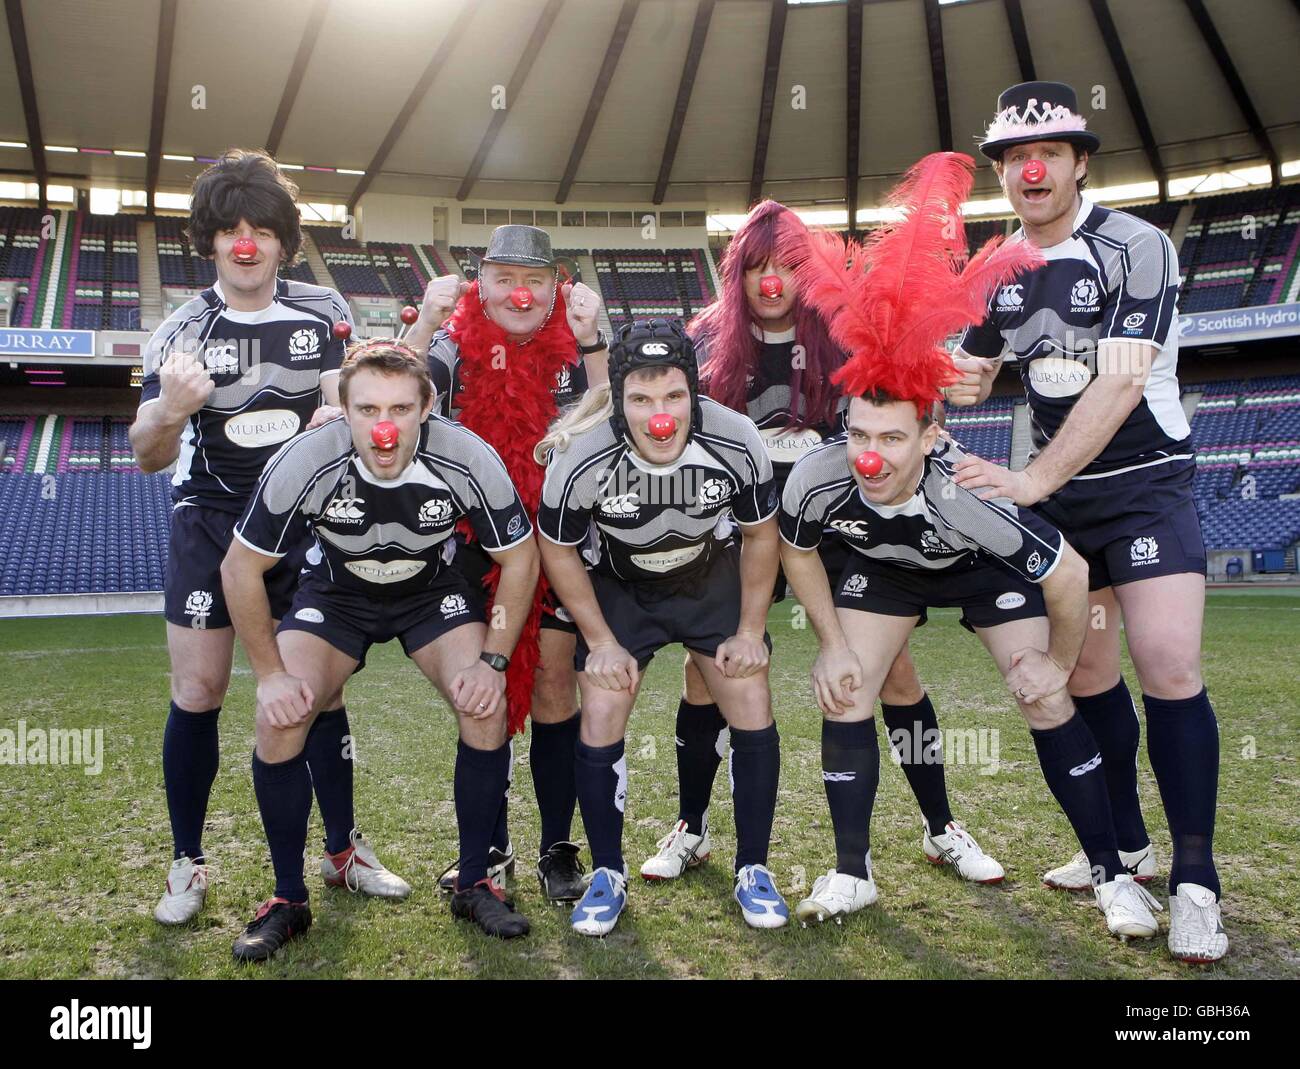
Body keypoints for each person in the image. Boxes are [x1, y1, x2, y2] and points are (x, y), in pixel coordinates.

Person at [780, 151, 1163, 943]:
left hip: (982, 573)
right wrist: (827, 643)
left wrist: (1054, 661)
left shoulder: (972, 492)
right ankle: (852, 871)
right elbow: (797, 548)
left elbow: (1070, 574)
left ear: (932, 433)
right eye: (858, 433)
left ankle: (1110, 874)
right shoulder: (819, 474)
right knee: (848, 688)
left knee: (1042, 695)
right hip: (889, 572)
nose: (869, 455)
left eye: (892, 436)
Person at [642, 200, 1003, 887]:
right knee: (707, 672)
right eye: (756, 267)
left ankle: (941, 824)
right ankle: (691, 824)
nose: (771, 281)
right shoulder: (707, 340)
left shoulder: (844, 331)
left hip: (833, 525)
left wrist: (953, 392)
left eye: (786, 266)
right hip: (741, 529)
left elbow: (903, 405)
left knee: (891, 671)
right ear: (736, 273)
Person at [947, 81, 1226, 962]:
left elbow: (1119, 381)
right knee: (1093, 671)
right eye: (1014, 160)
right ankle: (1130, 849)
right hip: (1064, 499)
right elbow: (972, 372)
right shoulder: (996, 270)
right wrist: (928, 369)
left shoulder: (1135, 245)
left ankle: (1196, 884)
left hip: (1143, 483)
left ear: (1077, 164)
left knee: (1169, 662)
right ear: (1003, 173)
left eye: (1050, 154)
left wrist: (1030, 479)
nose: (1031, 170)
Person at [130, 148, 405, 927]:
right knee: (199, 691)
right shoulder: (183, 330)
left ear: (283, 240)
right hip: (212, 522)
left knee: (321, 690)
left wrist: (337, 420)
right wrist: (172, 408)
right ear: (210, 241)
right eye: (228, 230)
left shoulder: (324, 313)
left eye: (259, 228)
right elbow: (147, 450)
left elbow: (360, 404)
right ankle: (187, 859)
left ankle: (342, 850)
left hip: (303, 522)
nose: (244, 243)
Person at [221, 342, 539, 958]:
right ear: (343, 408)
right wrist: (268, 676)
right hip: (337, 593)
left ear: (428, 406)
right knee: (281, 715)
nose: (383, 424)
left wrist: (493, 659)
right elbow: (239, 569)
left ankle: (474, 882)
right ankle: (289, 898)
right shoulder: (306, 458)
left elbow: (520, 557)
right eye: (366, 408)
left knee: (482, 705)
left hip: (430, 592)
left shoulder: (467, 455)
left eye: (399, 406)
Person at [536, 318, 788, 935]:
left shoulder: (736, 436)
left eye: (675, 396)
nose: (661, 415)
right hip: (622, 589)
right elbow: (558, 547)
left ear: (694, 391)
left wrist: (751, 629)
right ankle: (608, 873)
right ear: (619, 398)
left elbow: (760, 534)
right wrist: (598, 641)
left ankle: (754, 867)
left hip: (709, 581)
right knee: (600, 708)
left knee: (750, 696)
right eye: (642, 399)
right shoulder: (580, 452)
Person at [398, 224, 608, 903]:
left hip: (557, 544)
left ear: (558, 288)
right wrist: (427, 321)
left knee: (553, 686)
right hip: (468, 549)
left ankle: (556, 847)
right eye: (506, 278)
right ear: (479, 282)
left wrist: (597, 342)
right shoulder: (453, 349)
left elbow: (611, 420)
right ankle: (486, 846)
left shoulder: (577, 350)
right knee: (478, 693)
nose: (521, 293)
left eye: (536, 280)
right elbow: (394, 398)